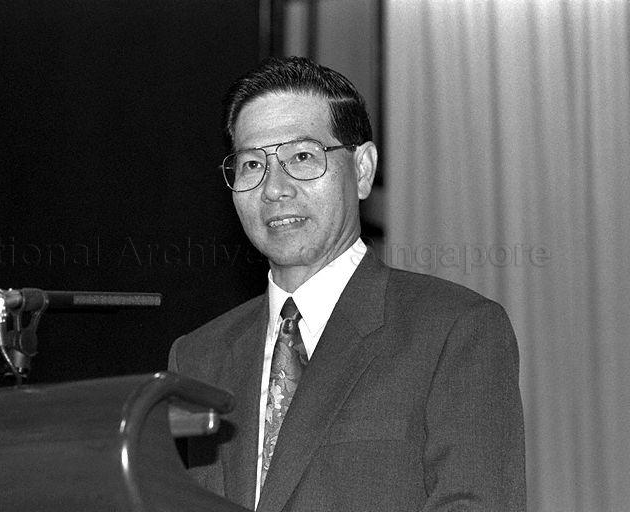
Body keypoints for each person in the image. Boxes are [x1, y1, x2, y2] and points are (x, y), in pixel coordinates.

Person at [168, 56, 525, 512]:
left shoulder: (454, 331)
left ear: (362, 169)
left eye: (302, 157)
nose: (274, 188)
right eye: (252, 164)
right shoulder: (199, 356)